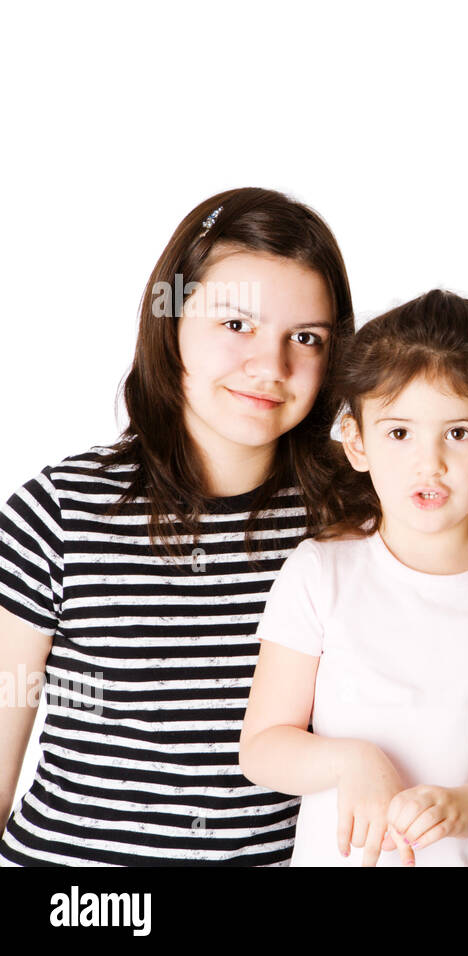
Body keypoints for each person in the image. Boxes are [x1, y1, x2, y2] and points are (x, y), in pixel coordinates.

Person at [0, 187, 355, 864]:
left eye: (304, 338)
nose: (271, 368)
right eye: (236, 325)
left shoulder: (353, 522)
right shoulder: (59, 512)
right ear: (172, 321)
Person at [239, 289, 468, 867]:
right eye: (399, 433)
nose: (430, 463)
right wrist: (351, 761)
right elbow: (262, 746)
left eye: (458, 433)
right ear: (357, 443)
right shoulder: (319, 572)